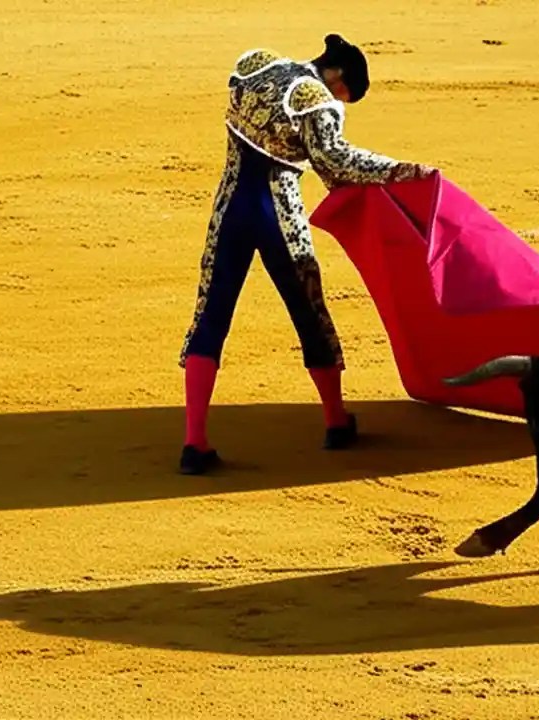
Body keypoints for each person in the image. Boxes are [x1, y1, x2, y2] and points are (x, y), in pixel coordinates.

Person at [178, 34, 435, 475]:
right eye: (344, 93)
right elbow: (334, 161)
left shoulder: (255, 63)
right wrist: (404, 170)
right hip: (280, 213)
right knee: (308, 312)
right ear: (336, 76)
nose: (340, 100)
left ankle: (193, 442)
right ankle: (335, 420)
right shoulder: (316, 97)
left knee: (211, 313)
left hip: (228, 206)